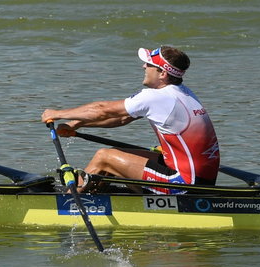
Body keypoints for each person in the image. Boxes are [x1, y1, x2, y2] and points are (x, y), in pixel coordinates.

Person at [41, 46, 220, 194]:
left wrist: (57, 113)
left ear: (162, 74)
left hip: (184, 184)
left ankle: (67, 203)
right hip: (201, 178)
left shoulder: (156, 97)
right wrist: (77, 124)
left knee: (104, 157)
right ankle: (95, 193)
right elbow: (123, 118)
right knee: (119, 155)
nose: (143, 66)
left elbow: (102, 110)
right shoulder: (184, 93)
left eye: (148, 64)